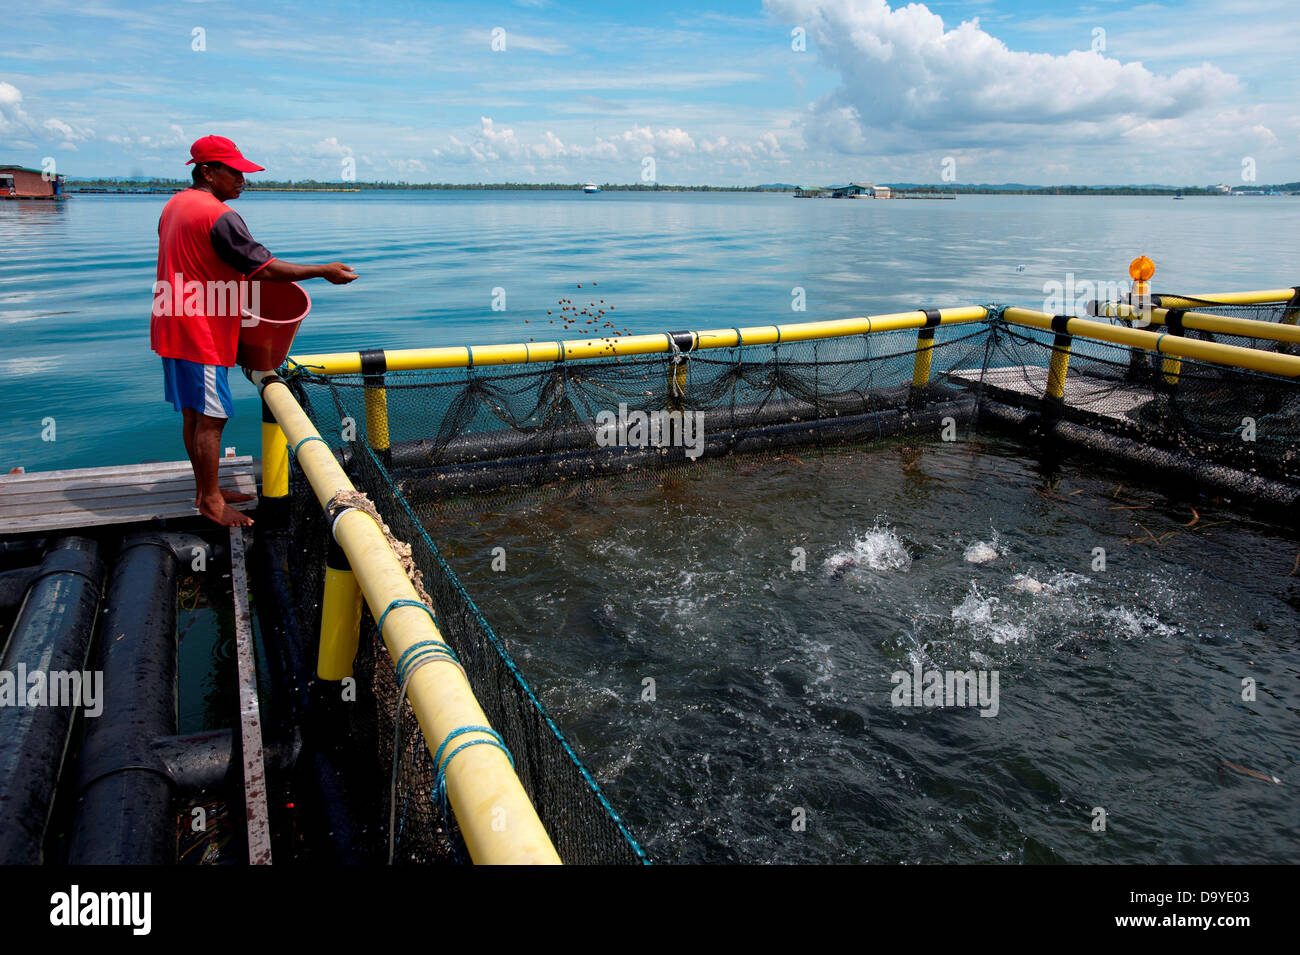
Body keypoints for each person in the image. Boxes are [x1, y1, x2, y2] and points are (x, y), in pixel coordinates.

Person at [152, 135, 357, 526]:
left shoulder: (174, 205)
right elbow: (267, 269)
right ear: (208, 172)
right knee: (212, 418)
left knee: (194, 414)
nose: (243, 179)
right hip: (200, 330)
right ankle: (212, 503)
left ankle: (204, 490)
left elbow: (195, 259)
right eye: (235, 172)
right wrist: (323, 271)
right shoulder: (219, 216)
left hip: (170, 320)